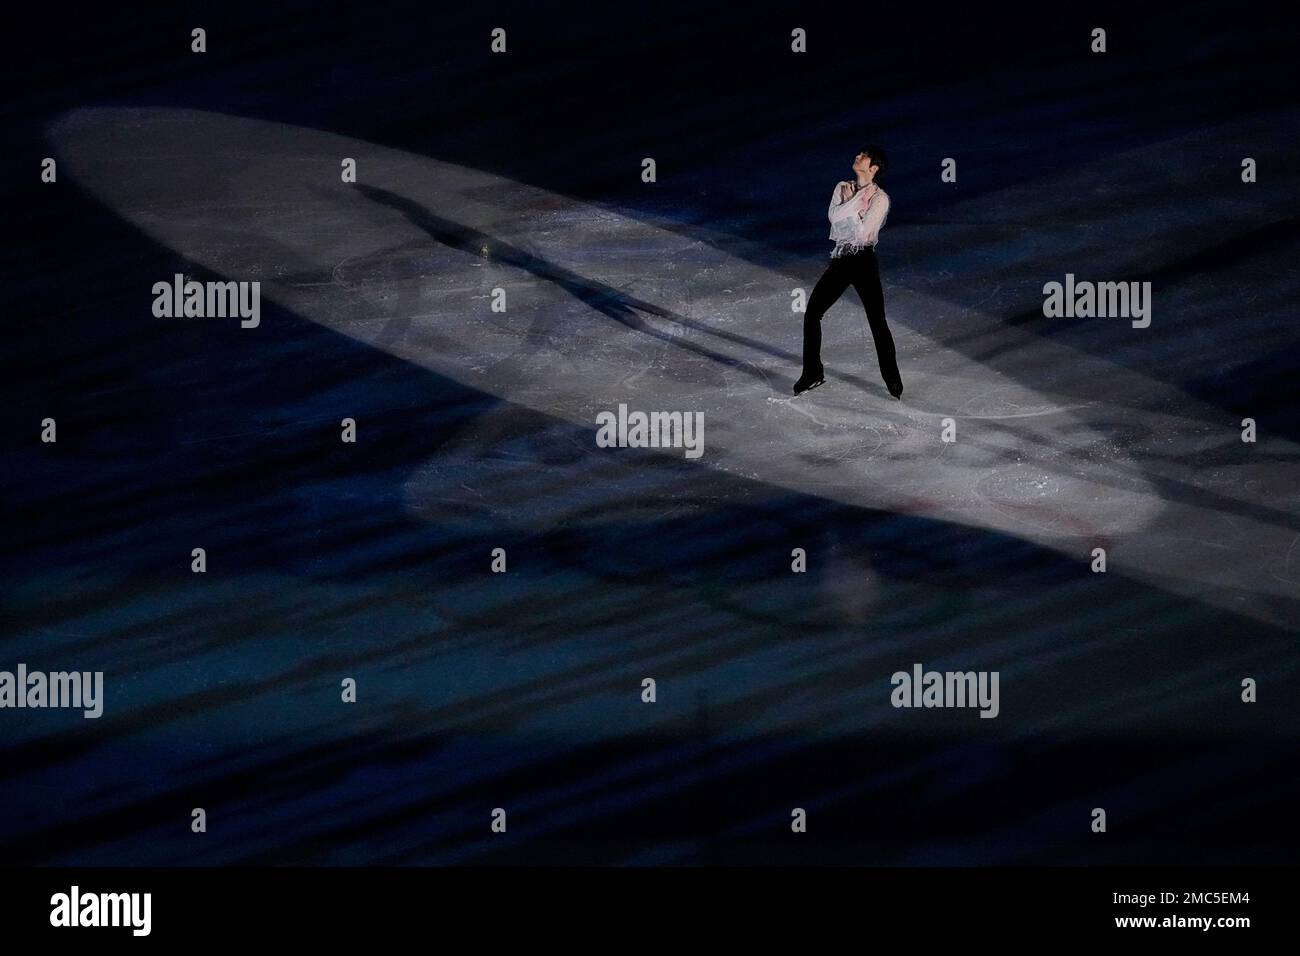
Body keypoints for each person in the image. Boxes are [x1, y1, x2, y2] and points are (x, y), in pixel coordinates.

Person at [793, 145, 903, 398]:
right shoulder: (841, 186)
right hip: (841, 260)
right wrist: (852, 204)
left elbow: (863, 233)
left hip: (864, 262)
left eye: (864, 156)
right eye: (859, 153)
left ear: (873, 168)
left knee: (877, 322)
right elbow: (833, 217)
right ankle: (813, 373)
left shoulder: (880, 199)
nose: (858, 156)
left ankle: (893, 380)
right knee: (812, 315)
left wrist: (850, 204)